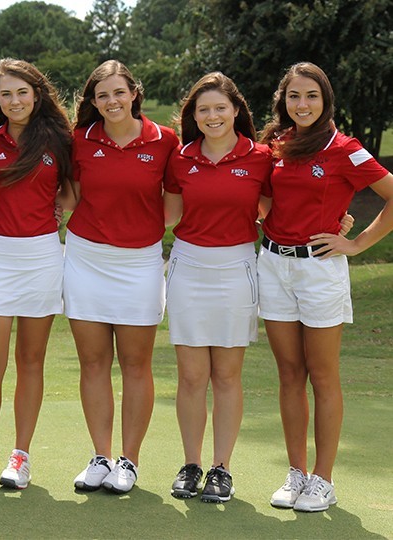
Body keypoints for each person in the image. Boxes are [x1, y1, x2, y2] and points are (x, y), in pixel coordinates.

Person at [257, 62, 393, 512]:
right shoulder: (275, 145)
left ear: (325, 100)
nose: (303, 104)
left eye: (312, 96)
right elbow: (266, 201)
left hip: (319, 269)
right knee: (289, 374)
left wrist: (355, 243)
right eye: (294, 96)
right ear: (283, 101)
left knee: (322, 374)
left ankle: (323, 479)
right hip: (274, 264)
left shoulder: (345, 148)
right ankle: (296, 473)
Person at [65, 60, 178, 494]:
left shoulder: (164, 141)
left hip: (139, 263)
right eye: (102, 95)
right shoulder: (79, 140)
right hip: (85, 259)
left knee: (135, 365)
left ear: (134, 93)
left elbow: (174, 206)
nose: (111, 101)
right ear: (93, 102)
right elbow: (71, 195)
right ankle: (100, 456)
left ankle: (128, 461)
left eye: (118, 92)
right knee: (93, 363)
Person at [0, 58, 73, 490]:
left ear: (37, 94)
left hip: (42, 256)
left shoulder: (60, 140)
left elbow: (70, 195)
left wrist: (53, 211)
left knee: (30, 361)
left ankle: (20, 456)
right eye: (5, 94)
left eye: (22, 92)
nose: (14, 100)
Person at [162, 72, 272, 503]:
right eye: (203, 109)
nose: (212, 116)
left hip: (237, 268)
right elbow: (167, 215)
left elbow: (283, 205)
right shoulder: (181, 158)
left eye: (220, 108)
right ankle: (191, 466)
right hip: (188, 265)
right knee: (191, 377)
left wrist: (337, 221)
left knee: (226, 376)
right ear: (194, 115)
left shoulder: (262, 156)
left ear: (235, 111)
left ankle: (221, 469)